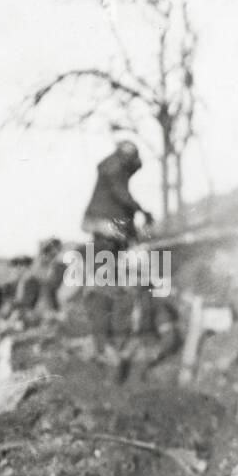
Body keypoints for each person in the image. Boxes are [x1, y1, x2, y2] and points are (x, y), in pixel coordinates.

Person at [81, 140, 153, 366]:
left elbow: (121, 204)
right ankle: (103, 347)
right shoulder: (114, 168)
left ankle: (106, 344)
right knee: (104, 288)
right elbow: (122, 195)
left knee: (111, 286)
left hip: (107, 230)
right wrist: (142, 210)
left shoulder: (113, 168)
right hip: (104, 230)